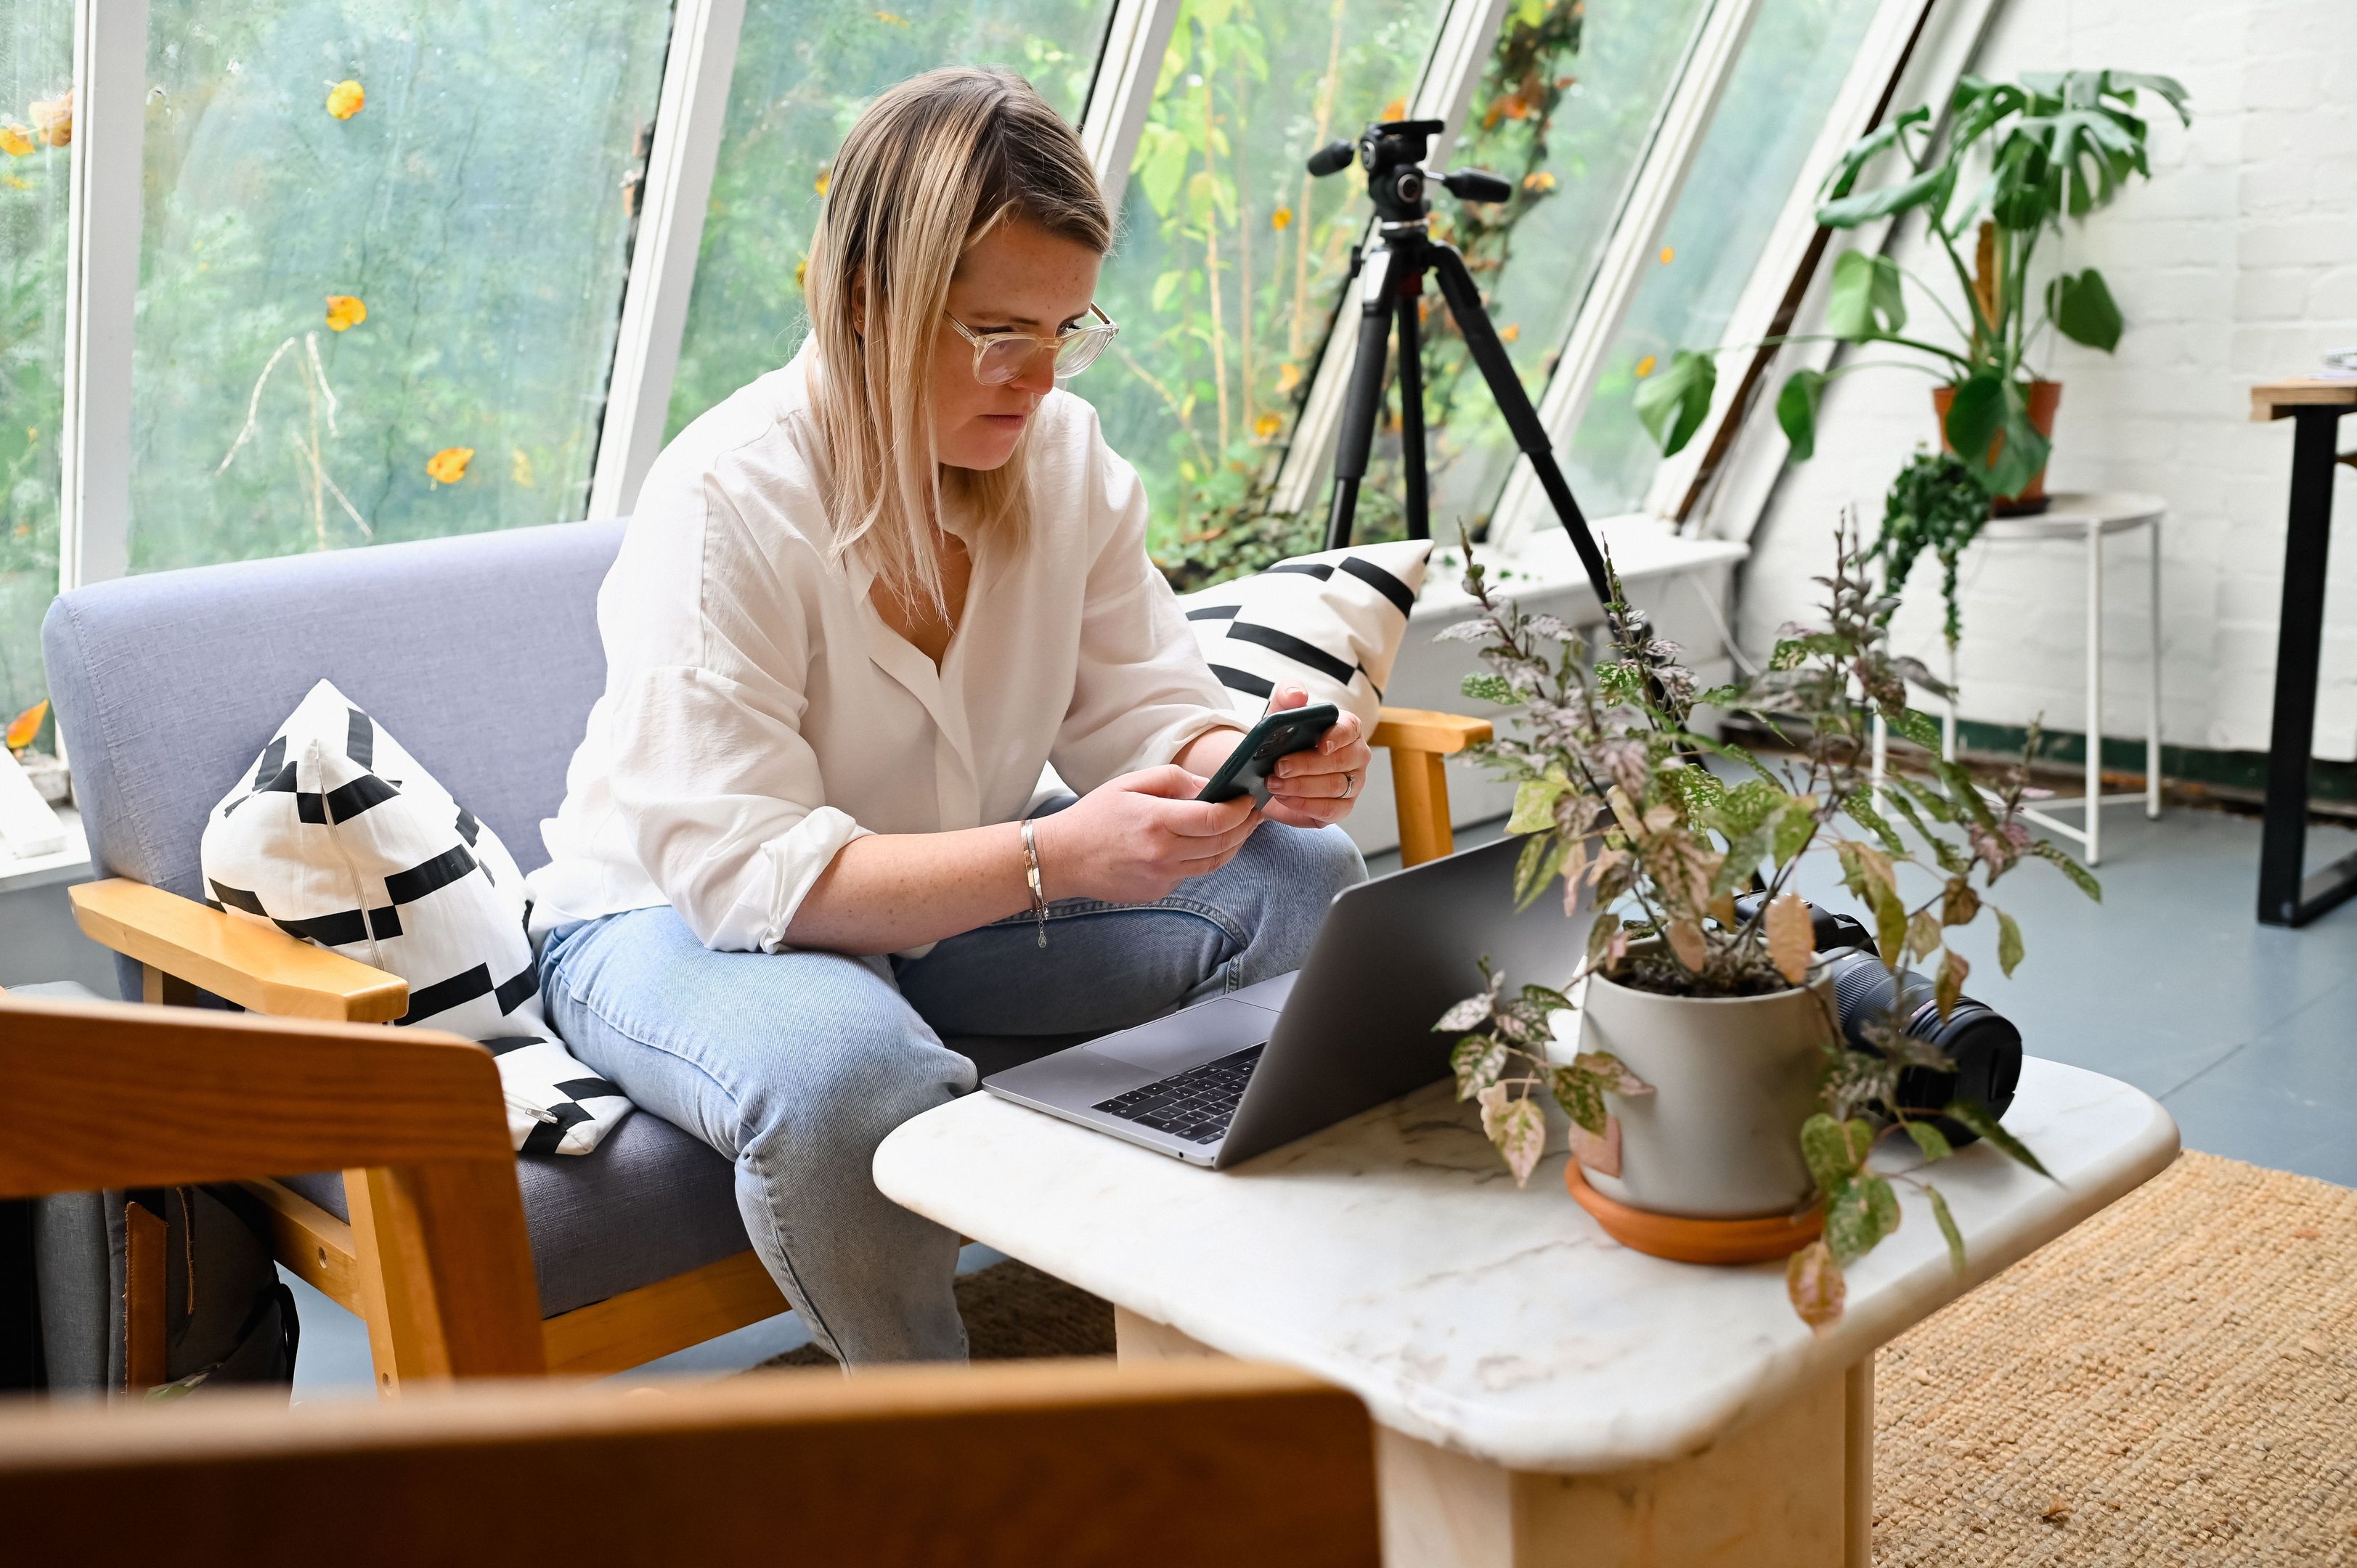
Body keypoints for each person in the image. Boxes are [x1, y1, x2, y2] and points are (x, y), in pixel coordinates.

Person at [525, 66, 1370, 1365]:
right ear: (868, 302)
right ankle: (938, 1426)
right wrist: (1050, 856)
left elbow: (1140, 703)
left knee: (1304, 876)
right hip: (677, 921)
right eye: (995, 334)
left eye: (1064, 330)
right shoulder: (724, 502)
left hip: (944, 903)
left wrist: (1244, 760)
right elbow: (748, 874)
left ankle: (1183, 1297)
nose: (1035, 379)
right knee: (855, 1074)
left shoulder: (1067, 461)